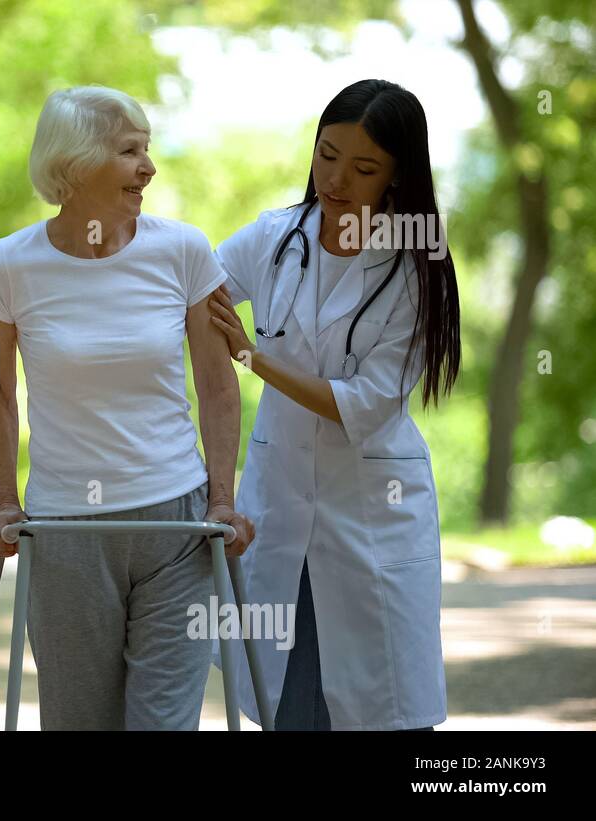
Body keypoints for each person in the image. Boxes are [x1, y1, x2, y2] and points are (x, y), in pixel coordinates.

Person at [0, 85, 254, 731]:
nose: (149, 168)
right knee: (79, 721)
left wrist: (222, 500)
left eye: (148, 150)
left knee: (164, 721)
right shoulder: (6, 267)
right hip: (66, 530)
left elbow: (217, 384)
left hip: (177, 525)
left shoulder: (184, 251)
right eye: (130, 151)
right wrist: (3, 502)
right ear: (74, 163)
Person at [204, 79, 461, 730]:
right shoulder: (274, 237)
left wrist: (253, 358)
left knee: (383, 713)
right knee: (287, 707)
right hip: (281, 507)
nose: (337, 179)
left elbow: (363, 405)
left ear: (398, 176)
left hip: (372, 518)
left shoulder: (413, 267)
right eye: (327, 154)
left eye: (364, 167)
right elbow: (185, 290)